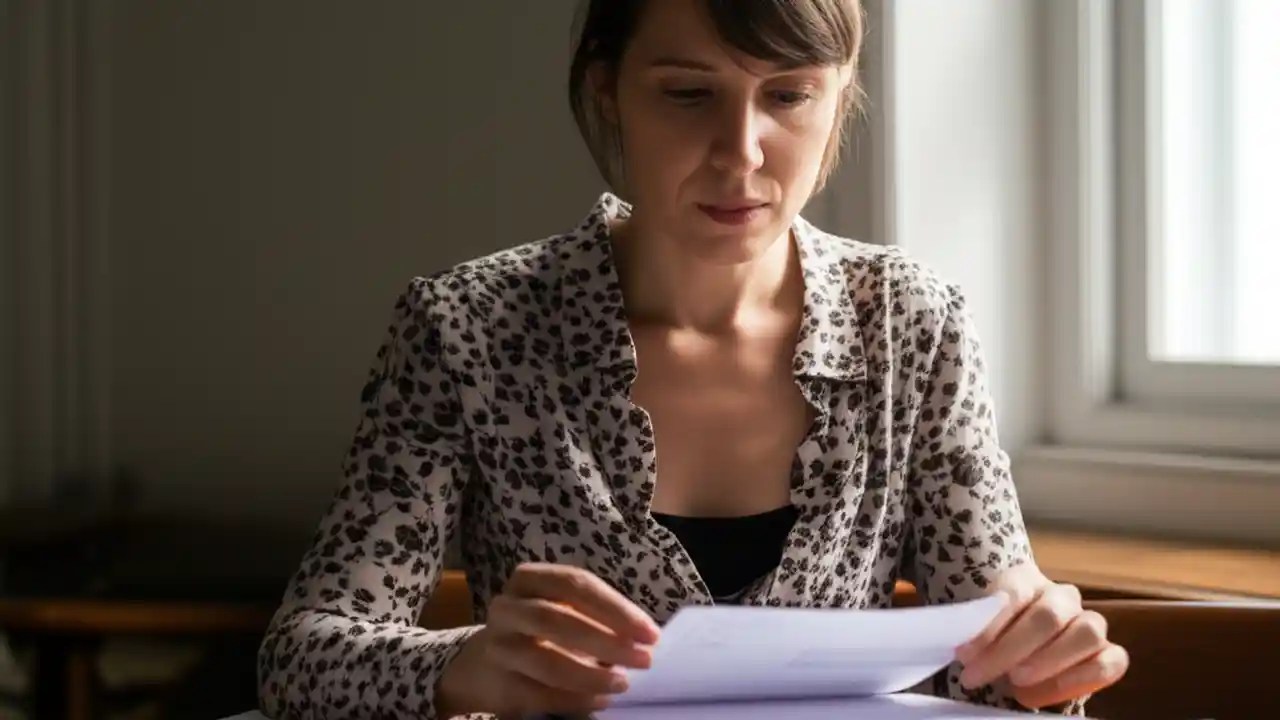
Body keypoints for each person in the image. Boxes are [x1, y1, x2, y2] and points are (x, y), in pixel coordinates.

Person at [257, 1, 1129, 717]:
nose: (741, 153)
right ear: (610, 92)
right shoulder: (469, 329)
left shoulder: (912, 326)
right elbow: (302, 655)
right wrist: (460, 666)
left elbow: (994, 665)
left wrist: (1041, 661)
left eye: (788, 97)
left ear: (838, 101)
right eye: (686, 94)